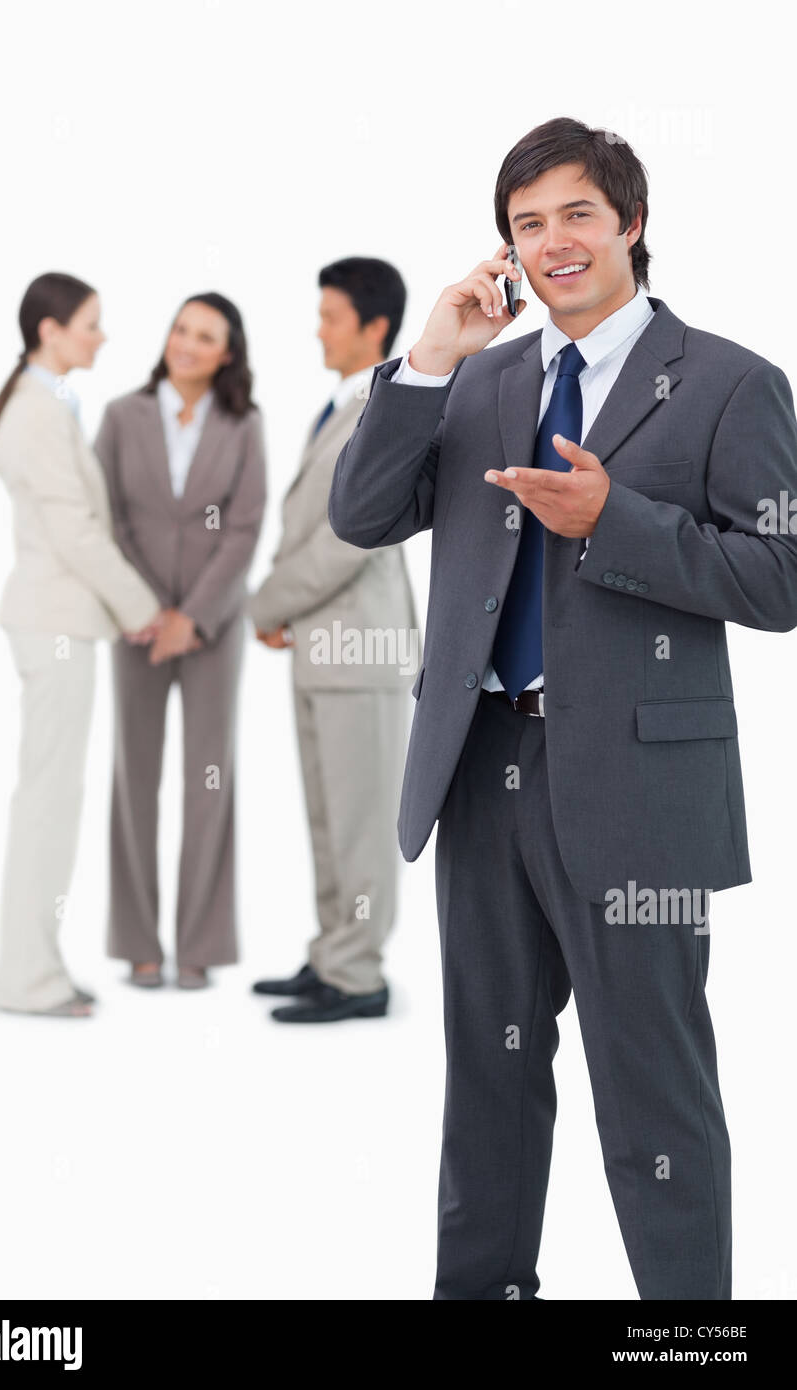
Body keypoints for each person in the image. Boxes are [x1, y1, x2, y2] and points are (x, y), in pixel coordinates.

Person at [328, 117, 797, 1298]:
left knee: (651, 1090)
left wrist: (616, 526)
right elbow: (363, 514)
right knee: (486, 1079)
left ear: (630, 224)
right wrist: (429, 354)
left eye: (576, 214)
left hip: (636, 792)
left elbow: (780, 577)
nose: (553, 243)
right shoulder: (482, 377)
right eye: (526, 224)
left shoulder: (730, 382)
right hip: (479, 765)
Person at [0, 272, 164, 1019]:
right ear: (50, 330)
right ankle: (27, 978)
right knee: (48, 804)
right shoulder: (34, 412)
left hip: (58, 622)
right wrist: (141, 606)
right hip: (55, 625)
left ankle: (35, 966)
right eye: (90, 323)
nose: (101, 336)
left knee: (50, 799)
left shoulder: (45, 403)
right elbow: (75, 530)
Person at [248, 258, 417, 1023]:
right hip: (324, 648)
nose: (318, 329)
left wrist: (264, 604)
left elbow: (348, 542)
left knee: (358, 821)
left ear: (374, 326)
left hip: (361, 649)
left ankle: (360, 977)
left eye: (330, 316)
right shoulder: (341, 403)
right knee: (326, 816)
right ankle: (332, 955)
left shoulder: (385, 409)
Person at [94, 293, 266, 990]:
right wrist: (147, 610)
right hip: (135, 623)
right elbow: (106, 520)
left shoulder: (243, 423)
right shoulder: (121, 416)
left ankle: (200, 941)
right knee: (134, 775)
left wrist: (191, 617)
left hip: (213, 624)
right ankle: (137, 941)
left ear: (227, 352)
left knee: (209, 777)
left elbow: (246, 528)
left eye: (205, 336)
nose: (187, 344)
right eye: (180, 330)